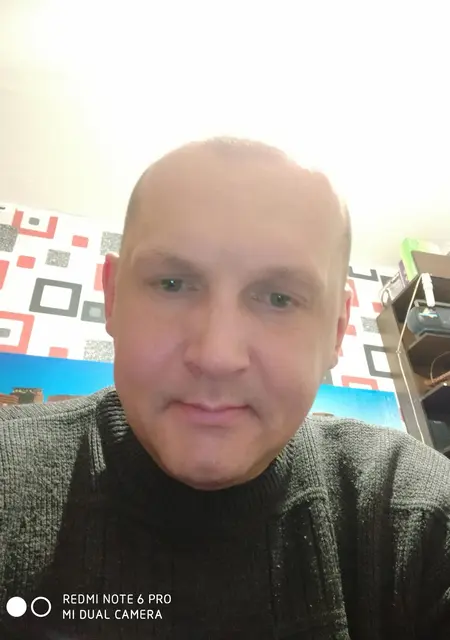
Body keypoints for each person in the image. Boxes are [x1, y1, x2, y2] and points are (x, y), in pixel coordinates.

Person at [0, 137, 449, 640]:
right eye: (172, 284)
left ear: (336, 332)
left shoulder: (414, 515)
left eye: (278, 298)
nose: (216, 356)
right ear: (113, 297)